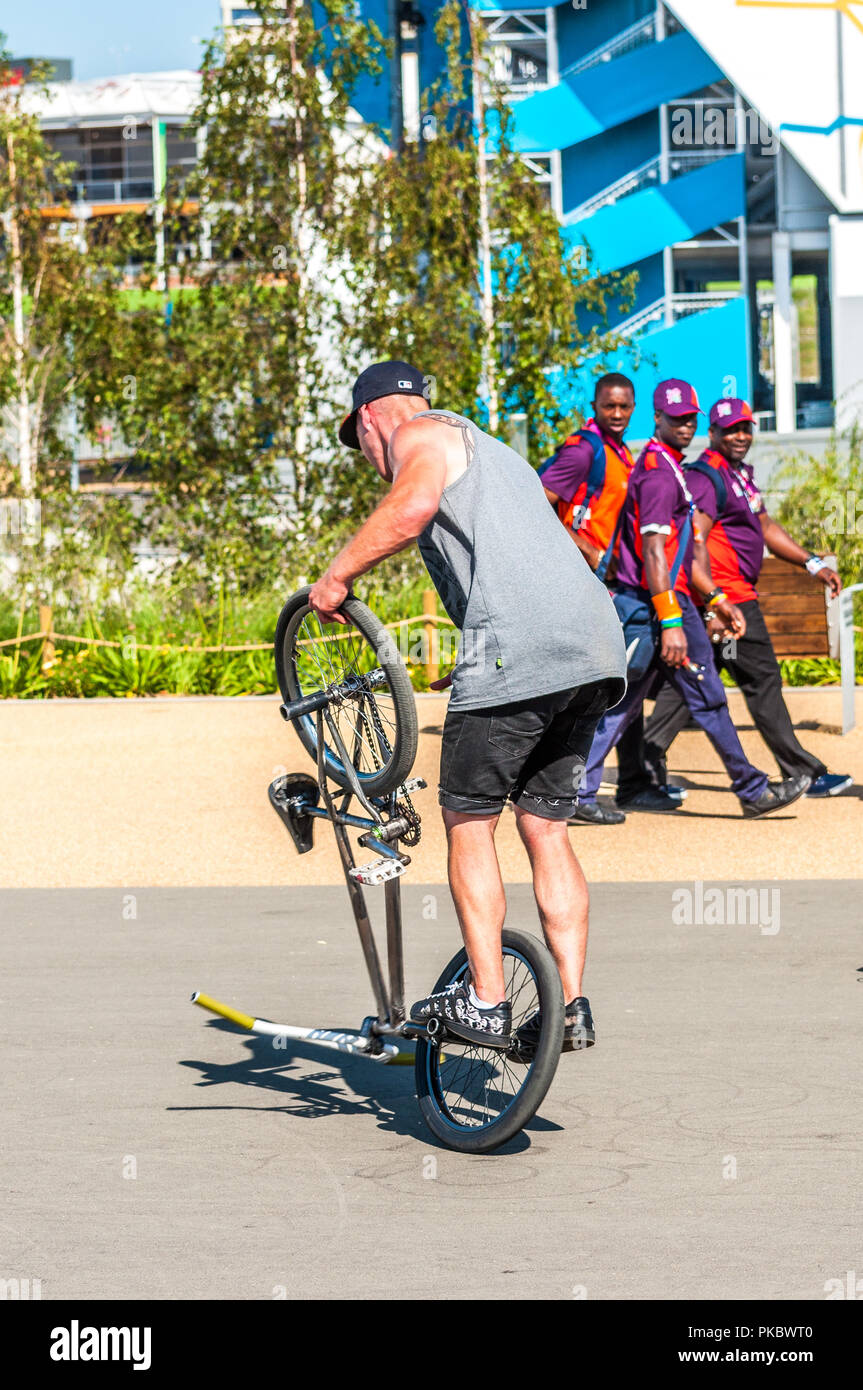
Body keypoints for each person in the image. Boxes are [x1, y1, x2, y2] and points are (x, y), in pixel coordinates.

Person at [309, 360, 626, 1050]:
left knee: (468, 818)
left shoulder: (419, 438)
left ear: (368, 420)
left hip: (520, 647)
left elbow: (411, 507)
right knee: (545, 827)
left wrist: (335, 577)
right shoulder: (496, 453)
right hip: (594, 646)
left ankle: (485, 1000)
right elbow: (524, 560)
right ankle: (571, 1006)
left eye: (360, 442)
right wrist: (480, 654)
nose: (369, 458)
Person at [576, 379, 812, 820]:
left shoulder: (667, 467)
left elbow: (682, 551)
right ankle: (751, 789)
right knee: (677, 701)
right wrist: (670, 621)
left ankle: (581, 794)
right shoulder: (660, 476)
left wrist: (716, 597)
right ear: (658, 419)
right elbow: (653, 552)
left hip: (663, 603)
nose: (686, 425)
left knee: (662, 702)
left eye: (690, 418)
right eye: (677, 418)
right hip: (656, 608)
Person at [642, 398, 851, 797]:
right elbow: (692, 538)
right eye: (731, 429)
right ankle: (803, 771)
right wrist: (712, 600)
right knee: (763, 681)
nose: (741, 436)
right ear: (715, 433)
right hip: (729, 602)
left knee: (693, 685)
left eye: (746, 428)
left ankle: (645, 769)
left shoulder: (737, 475)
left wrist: (811, 564)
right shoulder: (706, 477)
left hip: (728, 601)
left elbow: (764, 525)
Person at [539, 373, 679, 821]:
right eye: (609, 407)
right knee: (608, 689)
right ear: (595, 406)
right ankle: (575, 793)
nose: (617, 414)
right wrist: (592, 551)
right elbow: (535, 502)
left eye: (624, 407)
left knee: (626, 682)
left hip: (613, 587)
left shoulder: (620, 451)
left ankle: (633, 782)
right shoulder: (584, 449)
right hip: (588, 587)